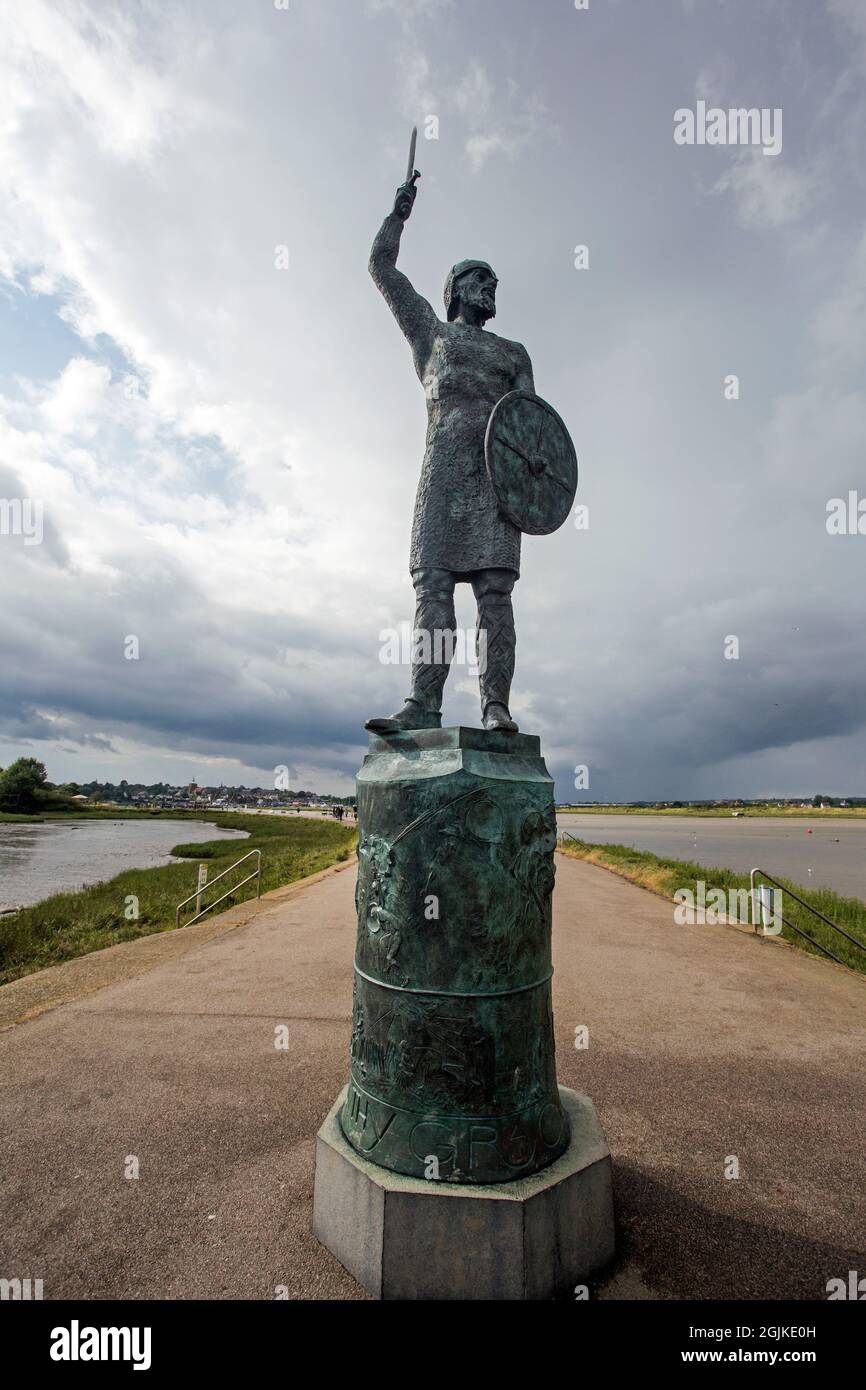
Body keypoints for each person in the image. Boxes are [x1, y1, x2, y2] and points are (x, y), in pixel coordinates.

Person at [365, 171, 535, 735]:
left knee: (495, 596)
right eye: (480, 279)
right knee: (433, 588)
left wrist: (531, 490)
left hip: (495, 485)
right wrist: (399, 215)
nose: (491, 288)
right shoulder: (431, 336)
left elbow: (533, 433)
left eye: (494, 282)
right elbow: (382, 269)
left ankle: (495, 707)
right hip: (441, 478)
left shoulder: (513, 353)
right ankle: (423, 703)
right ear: (456, 289)